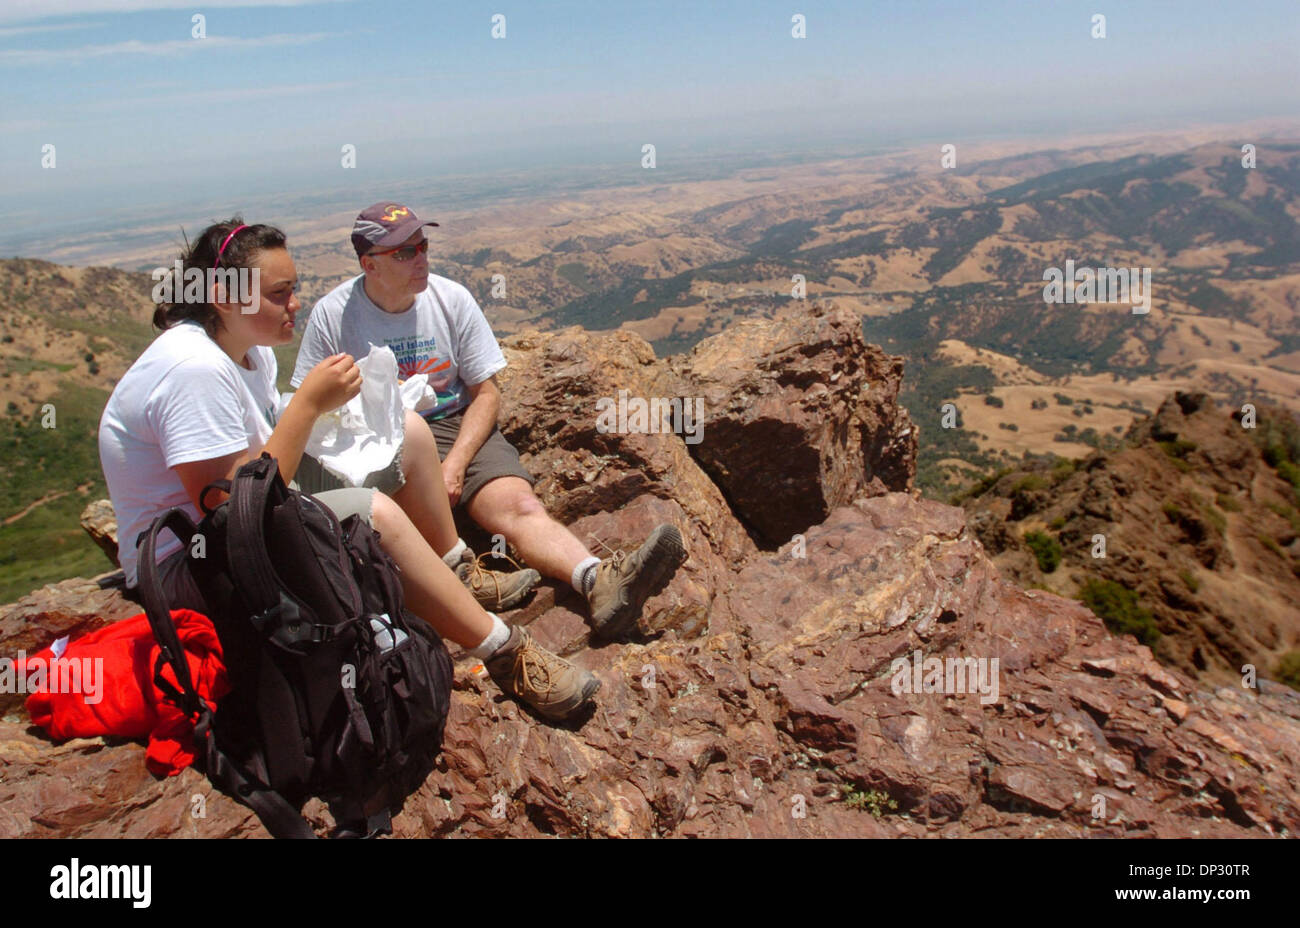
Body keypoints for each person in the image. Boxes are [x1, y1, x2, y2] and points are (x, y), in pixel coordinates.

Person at [97, 218, 597, 721]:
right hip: (192, 565)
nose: (294, 304)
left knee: (408, 432)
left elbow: (264, 460)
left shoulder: (248, 351)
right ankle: (504, 653)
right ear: (226, 298)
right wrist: (308, 406)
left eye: (293, 289)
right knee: (373, 514)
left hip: (250, 513)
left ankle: (454, 573)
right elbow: (230, 510)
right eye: (279, 293)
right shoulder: (194, 371)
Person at [292, 202, 687, 640]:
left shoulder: (451, 299)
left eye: (422, 245)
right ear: (369, 263)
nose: (420, 258)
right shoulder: (334, 315)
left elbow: (486, 393)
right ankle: (461, 596)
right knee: (395, 536)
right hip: (374, 436)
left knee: (518, 506)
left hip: (452, 423)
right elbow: (310, 406)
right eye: (403, 253)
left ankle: (599, 580)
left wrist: (455, 464)